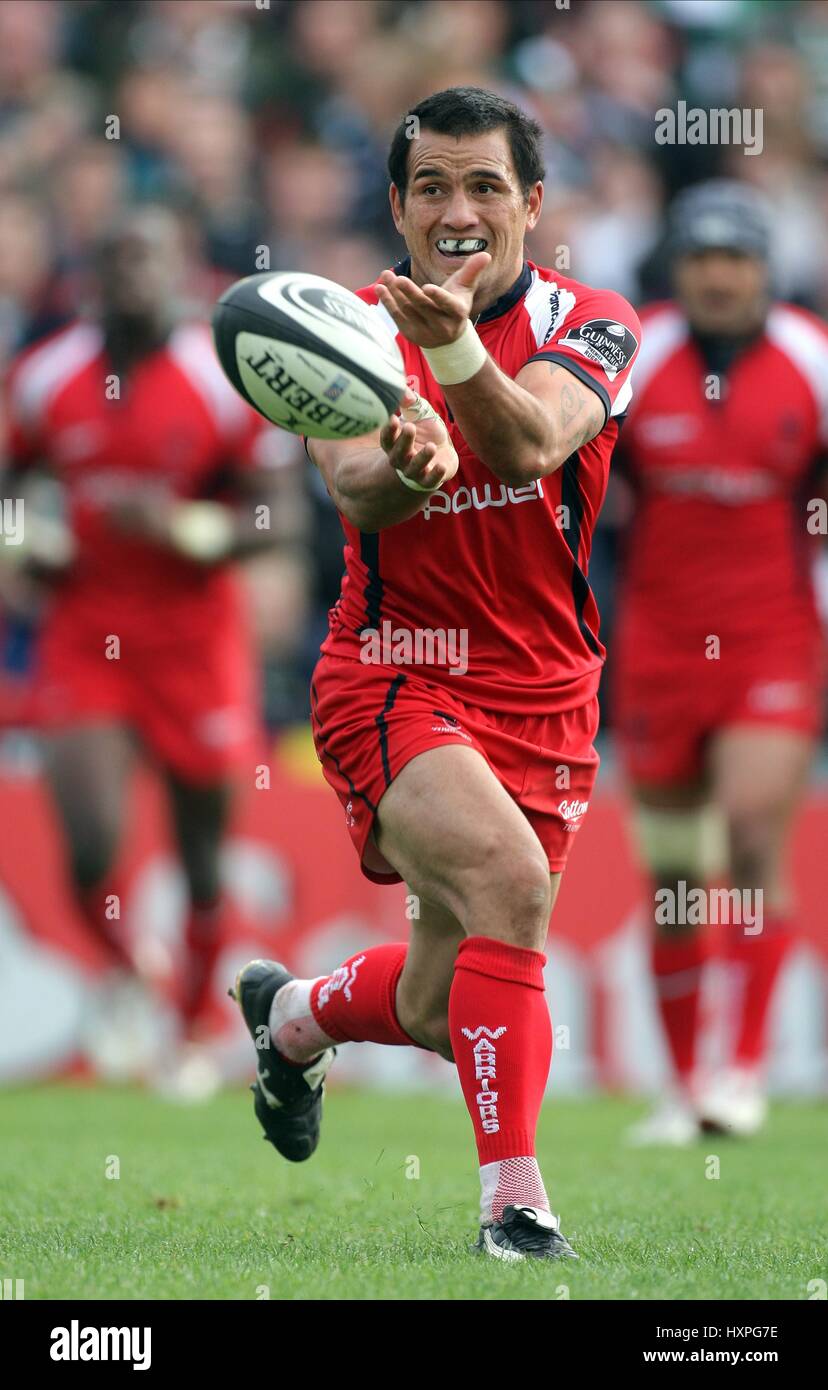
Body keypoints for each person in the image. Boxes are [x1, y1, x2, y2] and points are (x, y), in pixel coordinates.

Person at [232, 87, 641, 1262]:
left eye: (484, 187)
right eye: (431, 188)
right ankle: (516, 1210)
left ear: (533, 205)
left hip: (549, 697)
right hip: (392, 673)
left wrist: (456, 363)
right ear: (397, 205)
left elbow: (527, 440)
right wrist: (405, 469)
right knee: (513, 886)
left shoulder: (596, 317)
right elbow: (356, 486)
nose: (458, 211)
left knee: (432, 1001)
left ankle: (297, 1018)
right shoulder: (342, 326)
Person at [2, 206, 290, 1071]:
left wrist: (180, 527)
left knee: (202, 853)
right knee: (89, 845)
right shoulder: (47, 376)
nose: (133, 274)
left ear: (181, 271)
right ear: (93, 275)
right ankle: (138, 972)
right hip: (86, 631)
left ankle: (195, 1030)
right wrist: (20, 545)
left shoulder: (223, 376)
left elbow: (275, 517)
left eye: (148, 257)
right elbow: (10, 485)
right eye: (117, 256)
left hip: (193, 640)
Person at [612, 181, 827, 1145]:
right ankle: (681, 1085)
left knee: (748, 834)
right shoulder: (635, 359)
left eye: (735, 258)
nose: (718, 275)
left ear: (764, 272)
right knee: (673, 882)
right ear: (680, 271)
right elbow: (577, 477)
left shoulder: (812, 364)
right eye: (701, 258)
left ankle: (744, 1070)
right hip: (657, 644)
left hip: (772, 640)